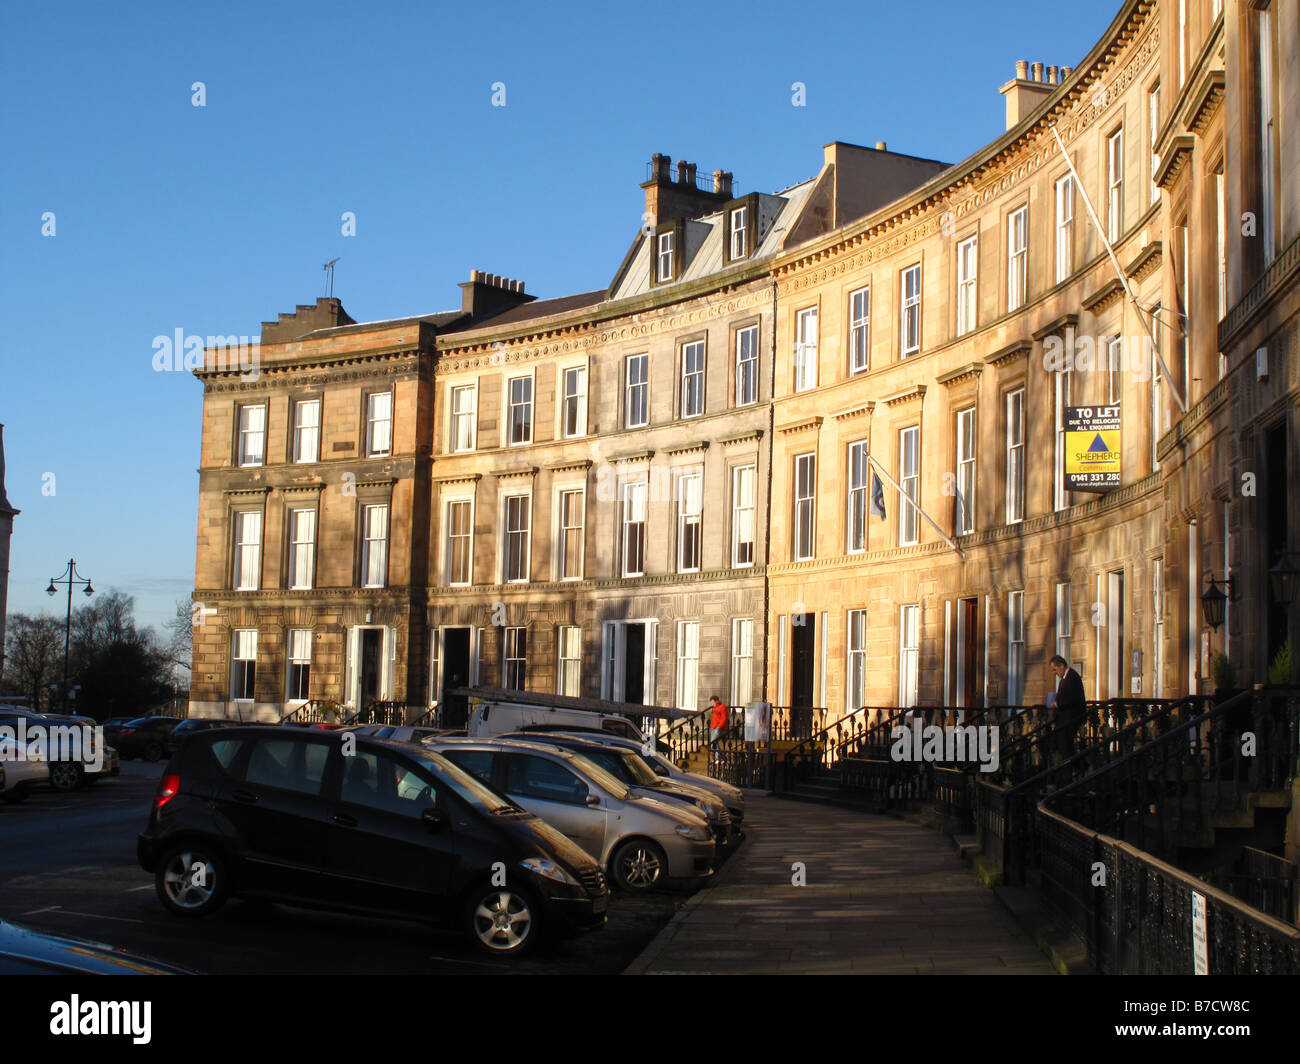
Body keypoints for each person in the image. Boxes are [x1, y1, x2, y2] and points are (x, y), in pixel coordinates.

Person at [1049, 655, 1086, 759]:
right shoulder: (1065, 678)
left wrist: (1058, 704)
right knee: (1059, 744)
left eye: (1054, 669)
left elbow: (1072, 698)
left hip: (1071, 717)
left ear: (1061, 666)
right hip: (1065, 718)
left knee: (1066, 745)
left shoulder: (1072, 677)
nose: (1054, 673)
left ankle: (1074, 767)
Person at [708, 695, 728, 761]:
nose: (712, 704)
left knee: (713, 742)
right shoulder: (714, 708)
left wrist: (719, 727)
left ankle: (718, 757)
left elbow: (724, 718)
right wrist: (711, 727)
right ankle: (719, 757)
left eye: (713, 702)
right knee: (714, 742)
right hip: (713, 727)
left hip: (719, 728)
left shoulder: (722, 707)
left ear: (716, 701)